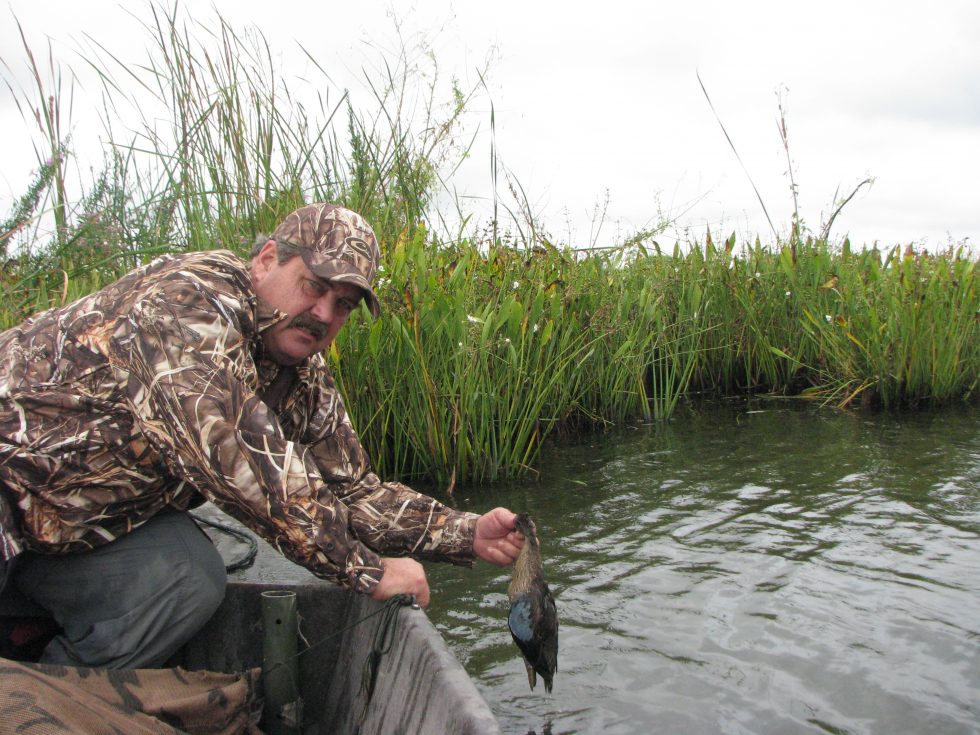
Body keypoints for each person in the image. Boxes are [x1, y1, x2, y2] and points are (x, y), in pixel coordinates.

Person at [0, 203, 524, 668]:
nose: (323, 313)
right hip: (10, 503)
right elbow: (237, 457)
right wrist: (365, 569)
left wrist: (466, 531)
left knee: (189, 579)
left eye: (343, 304)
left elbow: (354, 490)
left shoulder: (299, 375)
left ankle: (54, 694)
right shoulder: (188, 302)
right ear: (267, 259)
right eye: (314, 286)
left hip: (70, 531)